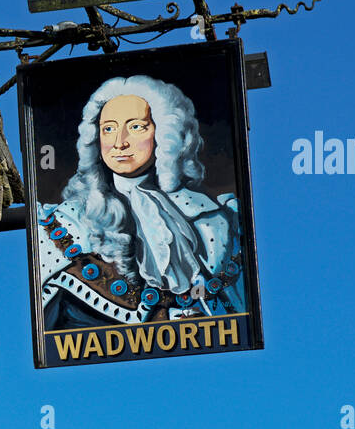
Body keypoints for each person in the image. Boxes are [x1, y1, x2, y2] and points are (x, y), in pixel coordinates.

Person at [37, 74, 246, 329]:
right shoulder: (66, 221)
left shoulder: (214, 218)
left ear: (164, 132)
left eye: (136, 127)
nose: (119, 142)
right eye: (109, 129)